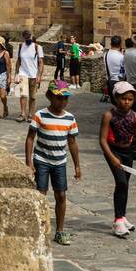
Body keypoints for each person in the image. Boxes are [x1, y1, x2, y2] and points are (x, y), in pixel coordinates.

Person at [26, 82, 81, 246]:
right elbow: (30, 138)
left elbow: (72, 142)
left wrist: (77, 165)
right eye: (58, 98)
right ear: (50, 97)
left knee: (61, 195)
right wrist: (29, 161)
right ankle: (38, 229)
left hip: (60, 161)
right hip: (42, 160)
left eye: (65, 98)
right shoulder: (40, 115)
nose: (62, 102)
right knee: (41, 195)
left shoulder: (70, 118)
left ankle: (60, 230)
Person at [99, 81, 136, 238]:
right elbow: (102, 140)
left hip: (127, 152)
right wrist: (112, 158)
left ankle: (122, 216)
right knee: (121, 182)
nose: (126, 102)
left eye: (130, 99)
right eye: (123, 98)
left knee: (125, 184)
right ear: (115, 98)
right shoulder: (109, 116)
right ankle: (118, 220)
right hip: (113, 150)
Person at [17, 31, 44, 121]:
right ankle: (22, 114)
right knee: (23, 95)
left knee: (32, 97)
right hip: (23, 73)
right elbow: (18, 60)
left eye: (29, 37)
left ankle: (31, 114)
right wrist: (16, 74)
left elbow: (41, 62)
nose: (28, 39)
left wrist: (39, 75)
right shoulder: (21, 46)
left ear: (31, 37)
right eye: (26, 37)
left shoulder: (37, 47)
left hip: (33, 74)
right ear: (23, 37)